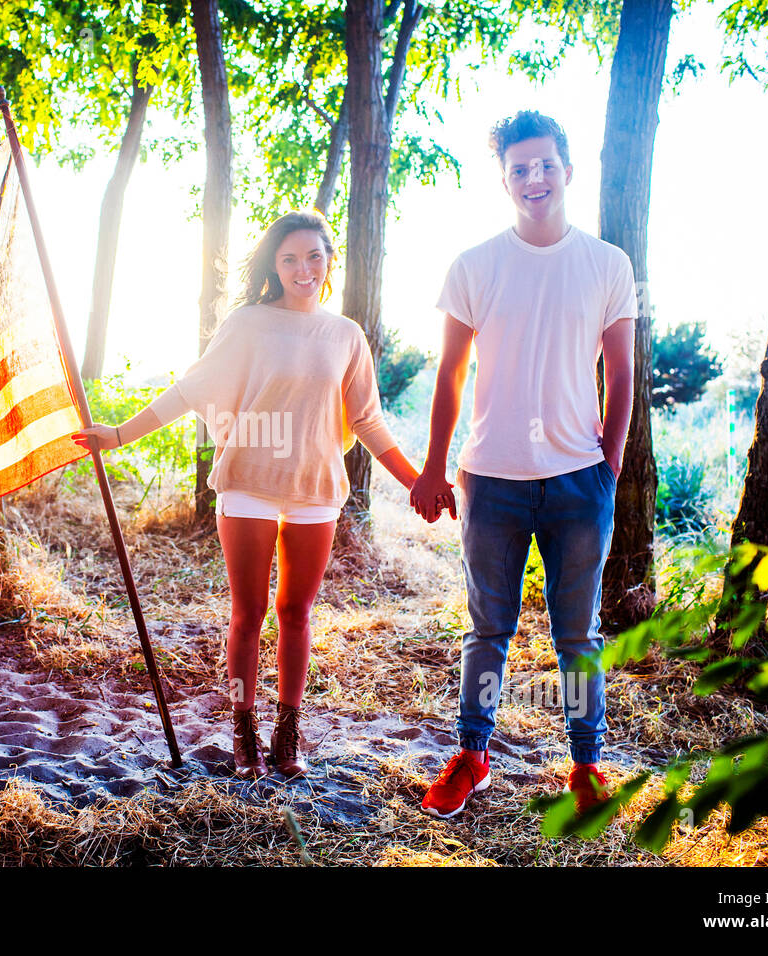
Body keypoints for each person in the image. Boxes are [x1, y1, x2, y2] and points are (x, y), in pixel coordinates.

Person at [72, 210, 422, 779]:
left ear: (329, 261)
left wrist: (418, 482)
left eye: (314, 256)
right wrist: (117, 435)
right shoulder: (248, 323)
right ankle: (242, 727)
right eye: (289, 259)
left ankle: (289, 729)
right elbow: (190, 390)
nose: (303, 268)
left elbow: (368, 421)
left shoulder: (346, 335)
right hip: (248, 485)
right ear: (274, 265)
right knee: (248, 614)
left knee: (296, 614)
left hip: (314, 489)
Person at [409, 110, 637, 818]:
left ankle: (586, 766)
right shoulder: (475, 265)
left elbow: (622, 374)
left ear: (567, 170)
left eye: (544, 166)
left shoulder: (608, 264)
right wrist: (432, 468)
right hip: (492, 480)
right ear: (504, 180)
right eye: (518, 169)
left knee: (578, 634)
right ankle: (473, 756)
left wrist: (610, 469)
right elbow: (448, 376)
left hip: (578, 480)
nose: (533, 179)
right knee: (488, 630)